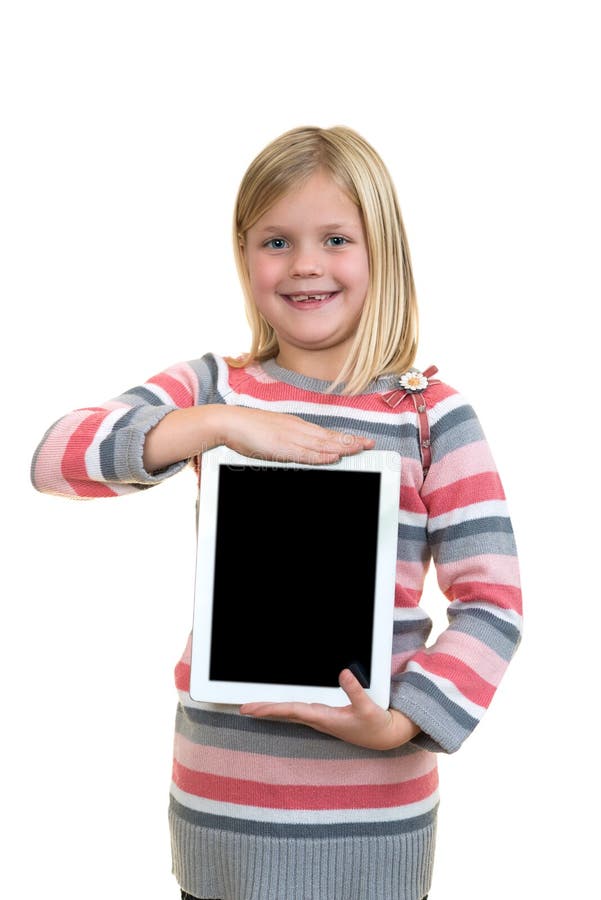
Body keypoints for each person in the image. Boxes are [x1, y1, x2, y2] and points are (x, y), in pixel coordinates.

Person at [31, 125, 522, 900]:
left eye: (335, 238)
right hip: (222, 811)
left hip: (373, 820)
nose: (304, 266)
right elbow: (57, 458)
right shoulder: (213, 387)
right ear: (242, 253)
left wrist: (399, 724)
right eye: (275, 241)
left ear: (381, 249)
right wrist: (216, 426)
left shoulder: (430, 415)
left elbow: (491, 603)